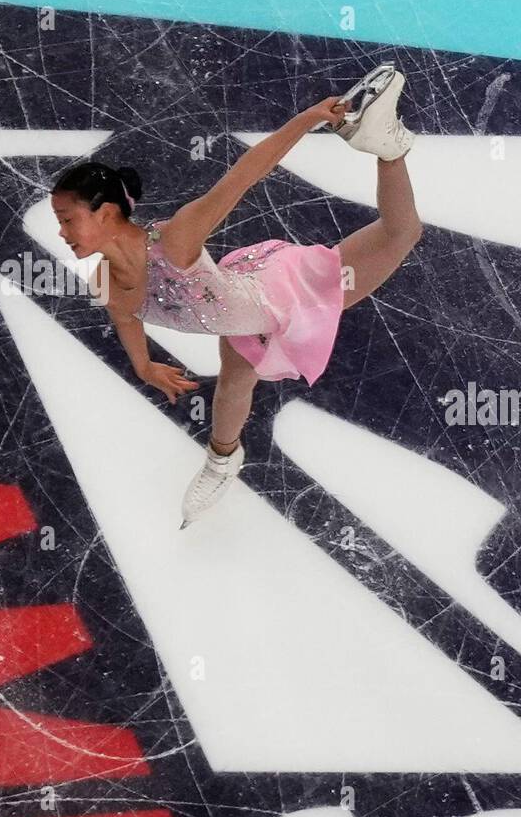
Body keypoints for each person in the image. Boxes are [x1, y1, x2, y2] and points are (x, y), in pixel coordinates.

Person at [49, 64, 422, 528]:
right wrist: (144, 366)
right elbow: (127, 319)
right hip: (233, 314)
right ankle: (222, 462)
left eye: (67, 219)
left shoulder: (176, 241)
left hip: (285, 294)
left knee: (402, 231)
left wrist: (307, 119)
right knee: (234, 386)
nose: (61, 232)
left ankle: (389, 145)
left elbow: (247, 173)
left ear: (105, 214)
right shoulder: (104, 279)